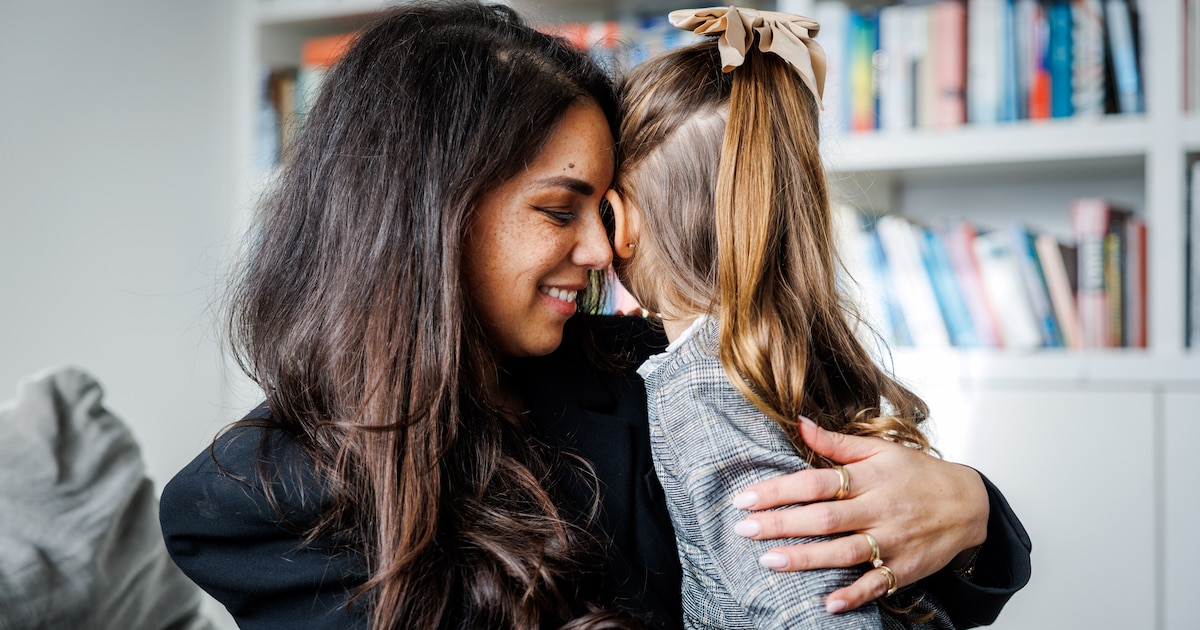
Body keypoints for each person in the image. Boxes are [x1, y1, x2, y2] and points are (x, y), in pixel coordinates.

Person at [159, 2, 1030, 629]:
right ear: (430, 217)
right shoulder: (250, 501)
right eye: (558, 211)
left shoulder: (657, 364)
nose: (603, 254)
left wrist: (967, 511)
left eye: (607, 212)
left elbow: (896, 585)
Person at [599, 6, 1028, 627]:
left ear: (625, 224)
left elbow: (811, 611)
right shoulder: (774, 355)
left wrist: (974, 502)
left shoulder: (699, 391)